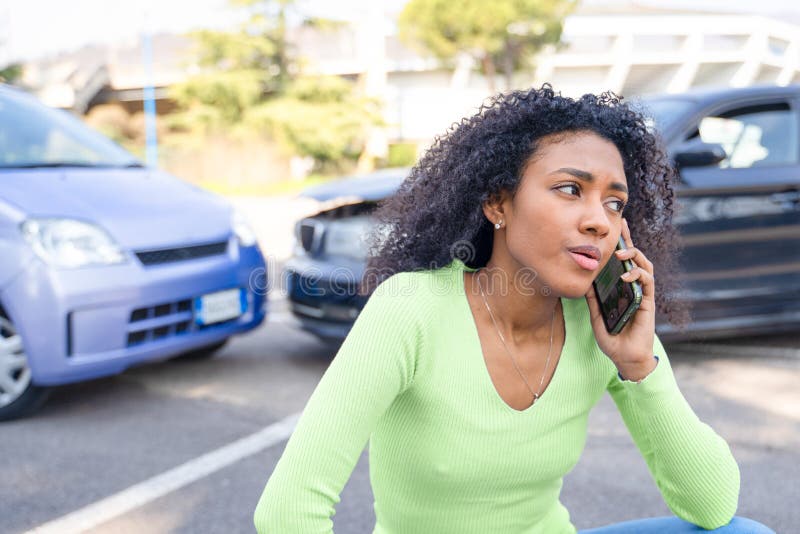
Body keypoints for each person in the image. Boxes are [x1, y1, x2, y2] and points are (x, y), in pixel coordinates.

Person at [254, 85, 775, 533]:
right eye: (570, 189)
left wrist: (640, 367)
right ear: (498, 203)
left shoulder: (603, 325)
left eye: (614, 203)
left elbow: (713, 505)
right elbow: (288, 510)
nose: (599, 220)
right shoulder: (411, 310)